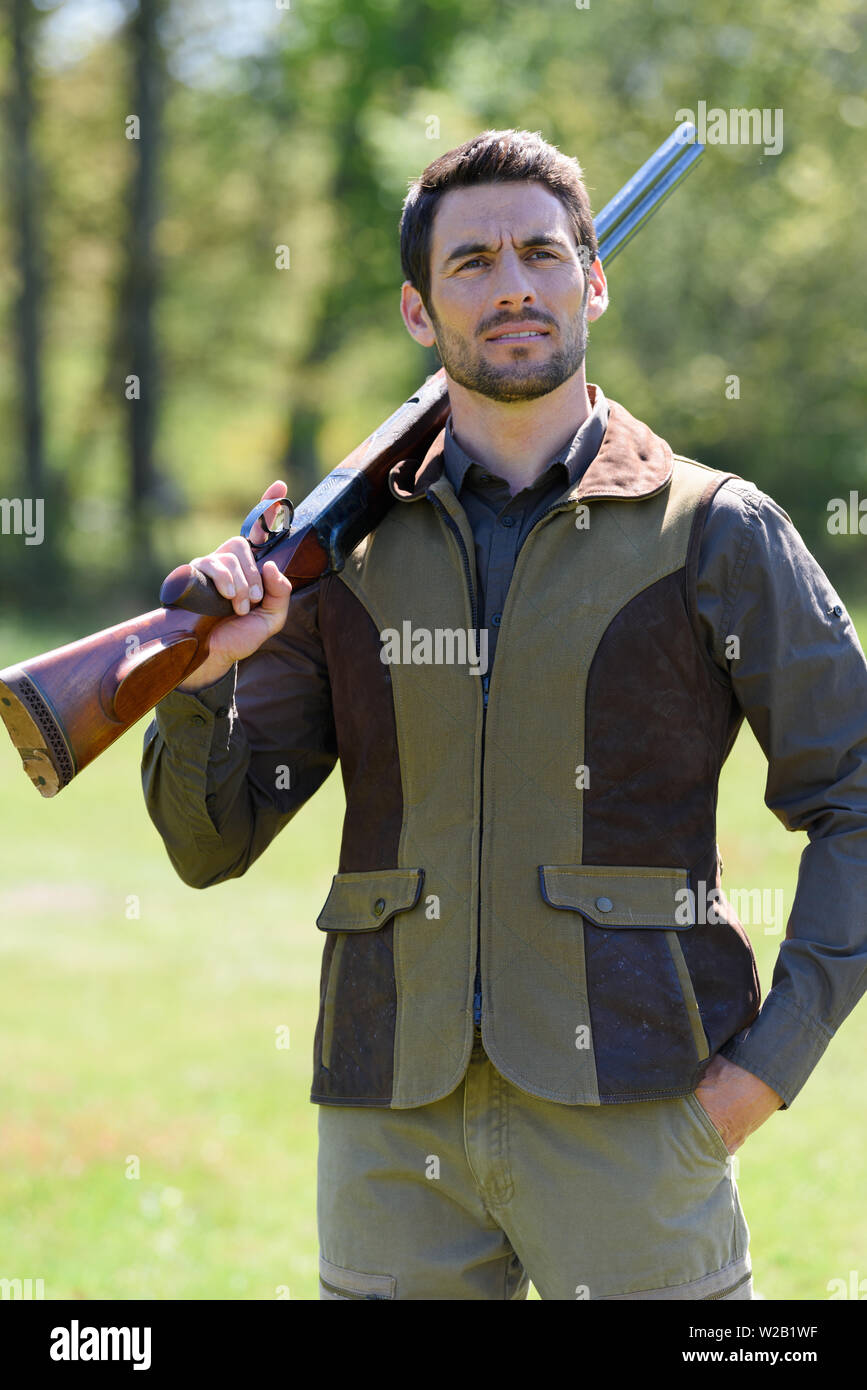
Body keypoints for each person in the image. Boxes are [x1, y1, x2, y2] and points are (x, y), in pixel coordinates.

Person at [141, 129, 867, 1300]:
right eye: (471, 262)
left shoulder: (717, 530)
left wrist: (763, 1076)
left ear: (595, 279)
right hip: (390, 1128)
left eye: (541, 252)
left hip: (640, 1112)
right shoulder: (340, 558)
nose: (514, 284)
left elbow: (858, 798)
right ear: (420, 313)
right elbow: (206, 842)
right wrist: (200, 679)